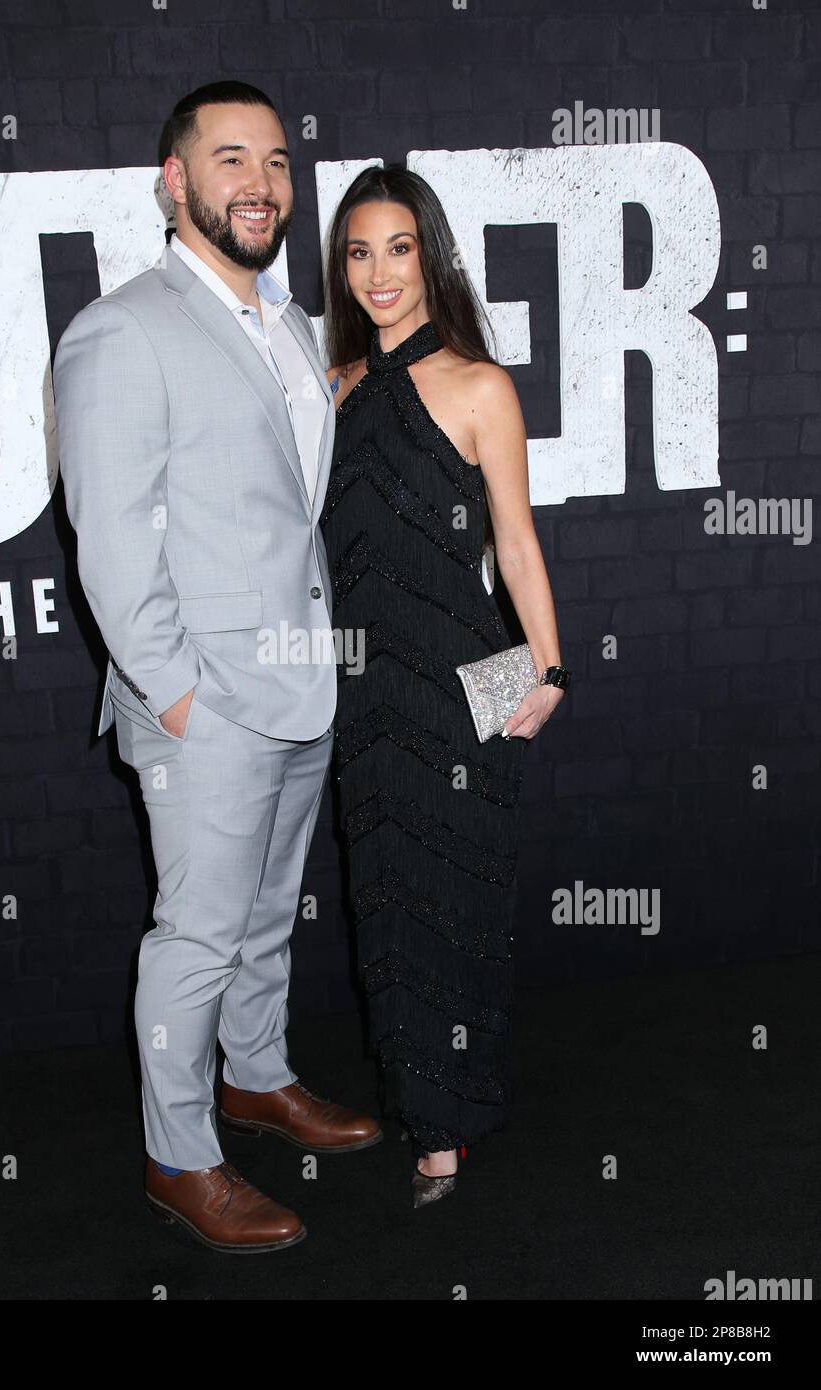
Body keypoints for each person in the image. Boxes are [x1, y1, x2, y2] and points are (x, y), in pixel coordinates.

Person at [52, 82, 380, 1256]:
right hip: (207, 705)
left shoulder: (290, 329)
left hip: (300, 686)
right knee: (195, 936)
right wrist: (178, 695)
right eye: (229, 159)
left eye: (279, 162)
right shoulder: (122, 329)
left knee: (262, 921)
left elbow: (275, 503)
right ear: (174, 182)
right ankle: (181, 1154)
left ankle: (257, 1079)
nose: (261, 183)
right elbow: (110, 533)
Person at [321, 165, 569, 1208]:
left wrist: (550, 667)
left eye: (400, 248)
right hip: (369, 694)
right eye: (359, 252)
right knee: (390, 912)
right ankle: (431, 1113)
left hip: (468, 680)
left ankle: (450, 1122)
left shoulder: (480, 387)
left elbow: (514, 540)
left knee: (457, 905)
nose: (380, 273)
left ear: (432, 253)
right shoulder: (330, 390)